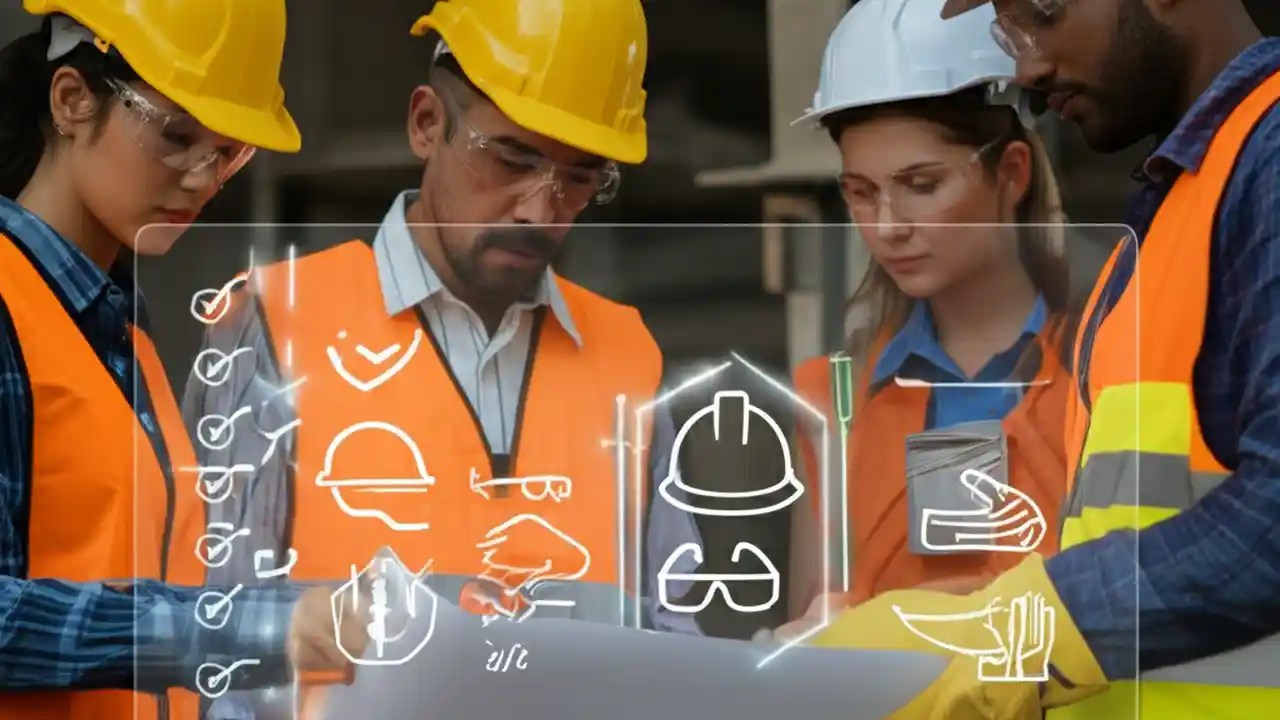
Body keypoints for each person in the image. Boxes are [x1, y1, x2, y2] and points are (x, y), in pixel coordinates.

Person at [182, 0, 703, 716]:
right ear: (427, 123)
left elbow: (673, 647)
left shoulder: (627, 356)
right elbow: (215, 636)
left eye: (579, 177)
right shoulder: (273, 324)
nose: (538, 210)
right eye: (512, 158)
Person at [807, 0, 1280, 717]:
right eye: (1011, 31)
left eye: (1045, 12)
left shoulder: (1264, 164)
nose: (1029, 67)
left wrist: (1010, 629)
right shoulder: (1171, 220)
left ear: (1013, 173)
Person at [0, 1, 370, 719]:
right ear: (71, 100)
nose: (204, 178)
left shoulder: (119, 336)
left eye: (229, 152)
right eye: (177, 136)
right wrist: (252, 627)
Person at [785, 0, 1075, 623]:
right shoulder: (830, 399)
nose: (887, 227)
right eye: (861, 193)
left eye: (921, 186)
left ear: (1013, 173)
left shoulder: (1107, 373)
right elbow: (809, 639)